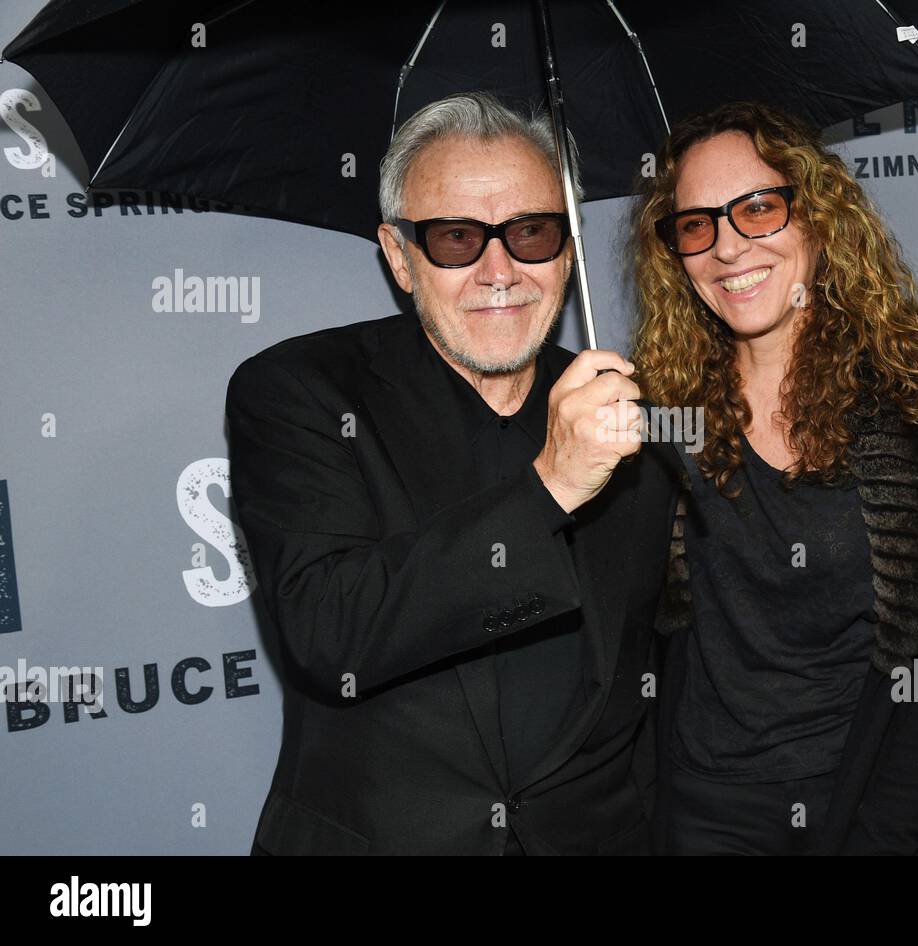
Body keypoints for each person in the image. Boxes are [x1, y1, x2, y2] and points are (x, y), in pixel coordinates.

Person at [226, 91, 680, 855]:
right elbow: (329, 631)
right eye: (456, 237)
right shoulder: (301, 391)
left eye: (531, 232)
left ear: (567, 249)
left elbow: (658, 670)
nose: (499, 271)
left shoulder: (633, 413)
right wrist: (553, 486)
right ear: (399, 257)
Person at [630, 101, 918, 855]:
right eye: (697, 224)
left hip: (883, 806)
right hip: (710, 816)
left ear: (819, 217)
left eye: (759, 209)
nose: (728, 248)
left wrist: (882, 834)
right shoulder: (657, 415)